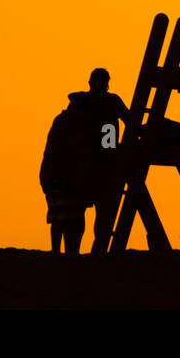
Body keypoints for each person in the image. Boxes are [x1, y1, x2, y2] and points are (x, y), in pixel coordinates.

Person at [67, 68, 129, 253]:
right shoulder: (84, 102)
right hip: (90, 163)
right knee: (83, 211)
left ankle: (96, 251)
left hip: (102, 163)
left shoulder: (105, 101)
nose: (102, 85)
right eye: (100, 81)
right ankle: (83, 252)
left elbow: (131, 122)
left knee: (100, 212)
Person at [40, 101, 94, 254]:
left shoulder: (62, 121)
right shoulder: (74, 124)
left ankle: (59, 252)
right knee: (69, 218)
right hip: (64, 179)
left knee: (60, 217)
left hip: (55, 178)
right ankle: (68, 253)